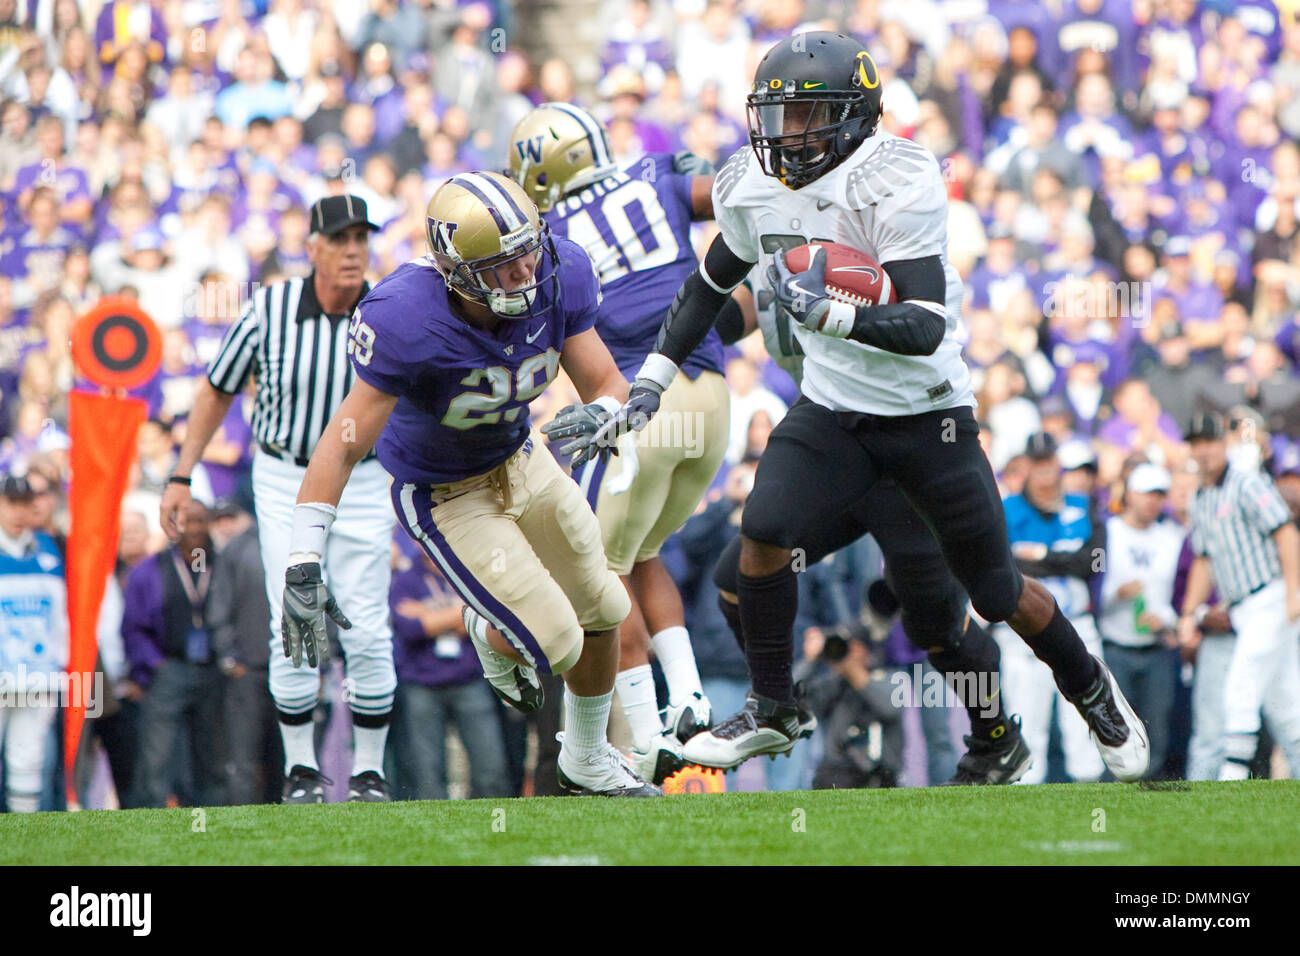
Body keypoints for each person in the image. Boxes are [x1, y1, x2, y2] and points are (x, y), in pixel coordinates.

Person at [576, 31, 1149, 781]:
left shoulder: (899, 176)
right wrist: (648, 383)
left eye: (808, 117)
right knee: (762, 533)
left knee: (994, 592)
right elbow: (708, 289)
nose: (786, 136)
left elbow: (926, 325)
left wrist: (832, 315)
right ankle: (774, 708)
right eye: (778, 117)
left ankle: (1088, 690)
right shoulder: (751, 181)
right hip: (835, 411)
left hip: (926, 417)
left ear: (853, 116)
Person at [279, 171, 658, 797]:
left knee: (605, 610)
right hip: (444, 492)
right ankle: (488, 629)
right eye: (504, 267)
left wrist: (609, 414)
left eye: (529, 252)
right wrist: (303, 557)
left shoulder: (562, 270)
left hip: (522, 456)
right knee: (556, 635)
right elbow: (342, 445)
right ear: (458, 272)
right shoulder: (406, 318)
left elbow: (607, 385)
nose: (526, 274)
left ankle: (586, 760)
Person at [510, 101, 729, 783]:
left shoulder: (545, 233)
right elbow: (723, 192)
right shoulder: (656, 174)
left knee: (597, 578)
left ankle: (646, 735)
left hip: (640, 404)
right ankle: (690, 699)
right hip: (711, 399)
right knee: (644, 553)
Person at [160, 194, 399, 804]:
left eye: (361, 239)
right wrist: (182, 474)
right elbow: (216, 390)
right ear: (312, 247)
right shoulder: (267, 310)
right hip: (284, 475)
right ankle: (300, 771)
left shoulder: (386, 310)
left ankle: (369, 773)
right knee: (294, 618)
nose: (352, 251)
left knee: (368, 627)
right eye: (339, 239)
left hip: (363, 478)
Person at [1178, 412, 1300, 778]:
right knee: (1286, 705)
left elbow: (1286, 533)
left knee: (1240, 689)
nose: (1203, 451)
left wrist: (1293, 591)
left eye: (1209, 442)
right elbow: (1203, 560)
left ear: (1224, 444)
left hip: (1269, 596)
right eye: (1196, 443)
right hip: (1244, 607)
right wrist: (1188, 614)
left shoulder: (1247, 483)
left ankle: (1232, 780)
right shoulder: (1200, 497)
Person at [997, 432, 1107, 784]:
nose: (1045, 472)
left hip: (1078, 623)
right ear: (1027, 466)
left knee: (1085, 723)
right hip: (1023, 633)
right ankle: (1029, 803)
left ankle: (1093, 799)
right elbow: (1003, 565)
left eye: (1050, 462)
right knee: (1029, 719)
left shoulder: (1081, 504)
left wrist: (1040, 557)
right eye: (1038, 463)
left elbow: (1093, 562)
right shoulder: (1007, 509)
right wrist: (1064, 560)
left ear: (1058, 464)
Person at [121, 498, 224, 809]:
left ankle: (209, 820)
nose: (193, 528)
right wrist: (153, 665)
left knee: (210, 750)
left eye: (200, 521)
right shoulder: (151, 569)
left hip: (214, 669)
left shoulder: (222, 565)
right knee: (157, 753)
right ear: (173, 526)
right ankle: (150, 817)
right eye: (186, 521)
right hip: (169, 668)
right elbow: (133, 625)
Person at [387, 545, 511, 800]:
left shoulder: (469, 571)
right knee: (427, 773)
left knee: (490, 768)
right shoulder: (407, 578)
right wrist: (462, 614)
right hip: (420, 684)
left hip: (469, 679)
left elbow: (492, 619)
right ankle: (433, 835)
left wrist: (431, 617)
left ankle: (495, 828)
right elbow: (409, 628)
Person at [207, 498, 282, 805]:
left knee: (285, 756)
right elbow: (219, 610)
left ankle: (291, 820)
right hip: (249, 669)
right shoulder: (236, 550)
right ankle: (245, 820)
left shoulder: (293, 541)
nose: (225, 524)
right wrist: (229, 659)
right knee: (245, 757)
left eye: (230, 517)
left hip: (287, 668)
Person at [0, 473, 66, 813]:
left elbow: (60, 617)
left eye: (25, 504)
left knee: (28, 760)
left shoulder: (48, 550)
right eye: (11, 503)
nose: (18, 512)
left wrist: (63, 664)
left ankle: (22, 836)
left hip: (38, 674)